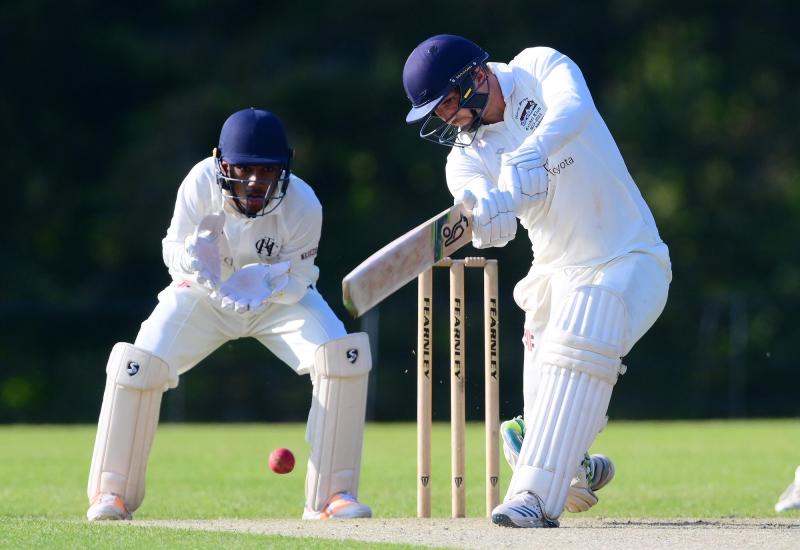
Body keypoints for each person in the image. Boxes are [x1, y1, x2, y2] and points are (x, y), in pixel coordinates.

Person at [403, 35, 671, 527]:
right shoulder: (463, 159)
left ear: (476, 78)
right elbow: (481, 211)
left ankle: (532, 499)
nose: (445, 119)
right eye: (434, 113)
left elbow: (576, 107)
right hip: (553, 283)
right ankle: (571, 462)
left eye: (446, 103)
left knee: (592, 316)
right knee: (552, 411)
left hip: (631, 257)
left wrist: (533, 151)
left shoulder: (537, 67)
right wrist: (492, 219)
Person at [86, 107, 372, 521]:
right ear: (221, 161)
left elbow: (301, 276)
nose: (256, 182)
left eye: (268, 170)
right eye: (244, 168)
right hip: (202, 297)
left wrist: (267, 284)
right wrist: (192, 259)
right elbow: (172, 252)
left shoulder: (304, 204)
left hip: (277, 303)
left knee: (342, 357)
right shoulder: (199, 184)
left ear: (285, 167)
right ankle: (111, 494)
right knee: (137, 365)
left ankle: (333, 496)